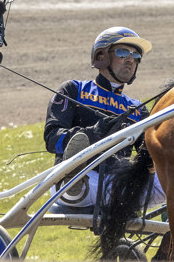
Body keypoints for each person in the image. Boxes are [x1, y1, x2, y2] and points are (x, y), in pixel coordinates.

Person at [43, 27, 165, 210]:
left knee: (173, 178)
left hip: (118, 187)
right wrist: (93, 134)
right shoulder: (73, 89)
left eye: (136, 56)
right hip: (82, 180)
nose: (130, 60)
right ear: (101, 56)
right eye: (123, 53)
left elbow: (151, 155)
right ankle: (73, 178)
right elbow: (52, 138)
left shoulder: (138, 109)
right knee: (80, 179)